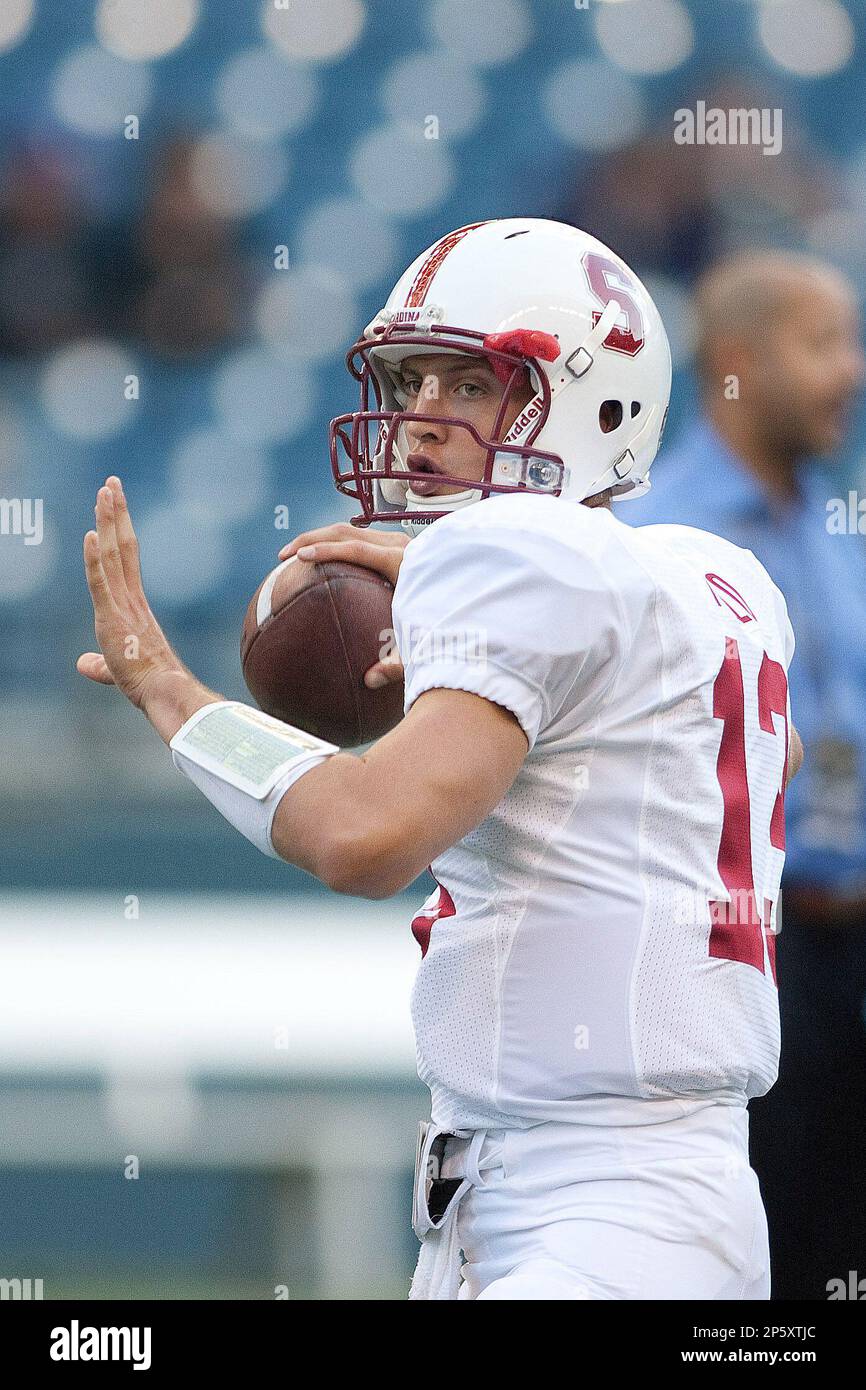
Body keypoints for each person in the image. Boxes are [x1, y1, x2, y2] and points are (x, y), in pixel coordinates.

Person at [79, 219, 802, 1300]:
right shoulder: (715, 578)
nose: (417, 422)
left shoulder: (517, 552)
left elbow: (362, 837)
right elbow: (746, 750)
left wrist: (170, 693)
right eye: (410, 381)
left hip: (589, 1200)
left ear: (590, 398)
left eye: (467, 386)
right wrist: (490, 655)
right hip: (653, 1196)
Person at [626, 249, 866, 1300]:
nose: (849, 371)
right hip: (740, 952)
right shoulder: (648, 536)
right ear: (734, 362)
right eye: (821, 344)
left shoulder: (835, 523)